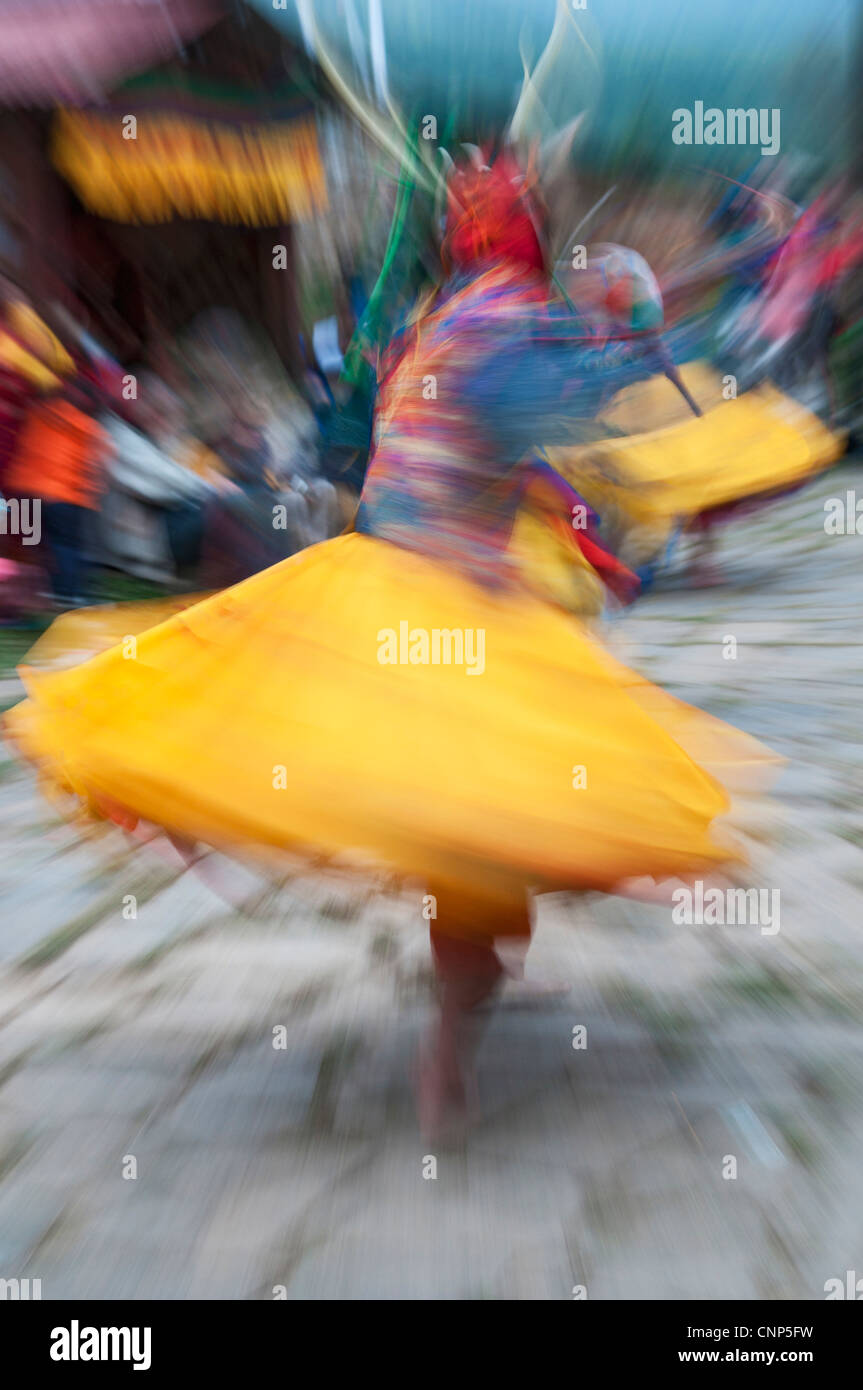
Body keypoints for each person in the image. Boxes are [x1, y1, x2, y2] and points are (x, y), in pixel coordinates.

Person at [5, 152, 773, 1138]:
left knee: (449, 815)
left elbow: (480, 438)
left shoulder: (432, 321)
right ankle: (448, 1054)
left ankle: (472, 985)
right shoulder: (513, 322)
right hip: (449, 605)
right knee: (487, 822)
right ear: (529, 237)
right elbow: (563, 408)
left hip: (366, 579)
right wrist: (642, 327)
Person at [5, 376, 109, 605]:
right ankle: (67, 594)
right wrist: (92, 493)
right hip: (65, 497)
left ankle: (32, 594)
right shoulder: (90, 429)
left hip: (25, 490)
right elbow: (97, 466)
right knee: (66, 545)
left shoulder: (37, 413)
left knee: (31, 546)